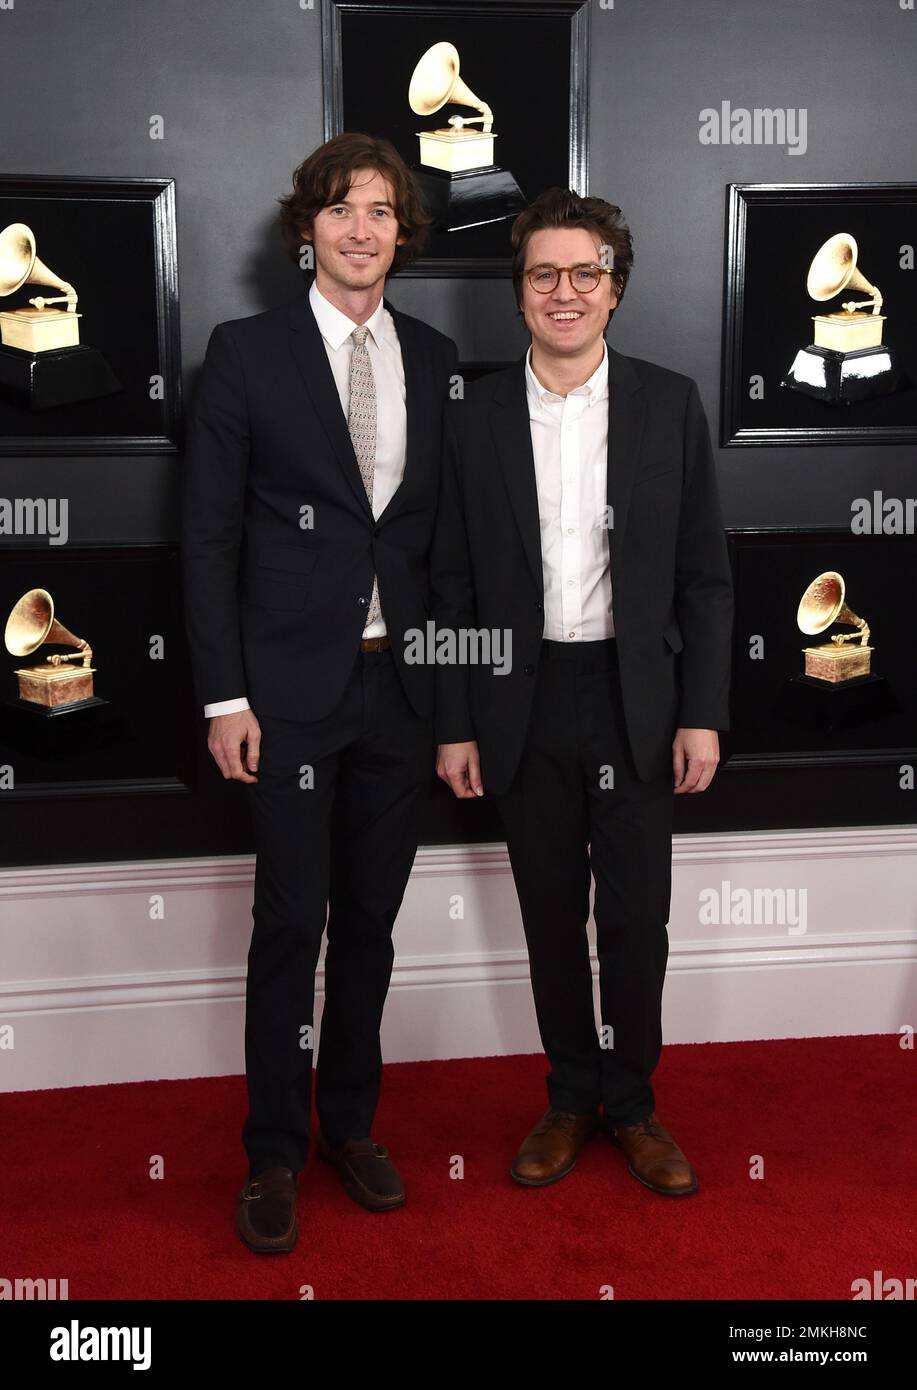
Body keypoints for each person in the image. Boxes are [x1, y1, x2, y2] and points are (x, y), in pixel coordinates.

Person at [182, 133, 457, 1252]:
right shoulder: (243, 353)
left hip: (400, 691)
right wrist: (221, 698)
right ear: (309, 226)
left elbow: (444, 541)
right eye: (341, 208)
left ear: (402, 231)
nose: (361, 228)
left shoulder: (435, 358)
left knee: (372, 926)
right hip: (286, 695)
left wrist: (453, 700)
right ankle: (271, 1151)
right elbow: (203, 539)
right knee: (291, 922)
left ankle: (349, 1124)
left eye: (382, 210)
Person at [432, 187, 733, 1196]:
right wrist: (456, 719)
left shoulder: (667, 400)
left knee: (634, 918)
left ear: (615, 289)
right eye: (542, 275)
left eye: (583, 274)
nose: (563, 293)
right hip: (518, 696)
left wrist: (700, 709)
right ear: (518, 291)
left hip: (632, 695)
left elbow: (702, 575)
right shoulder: (469, 413)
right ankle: (569, 1099)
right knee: (548, 910)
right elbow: (451, 578)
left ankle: (634, 1105)